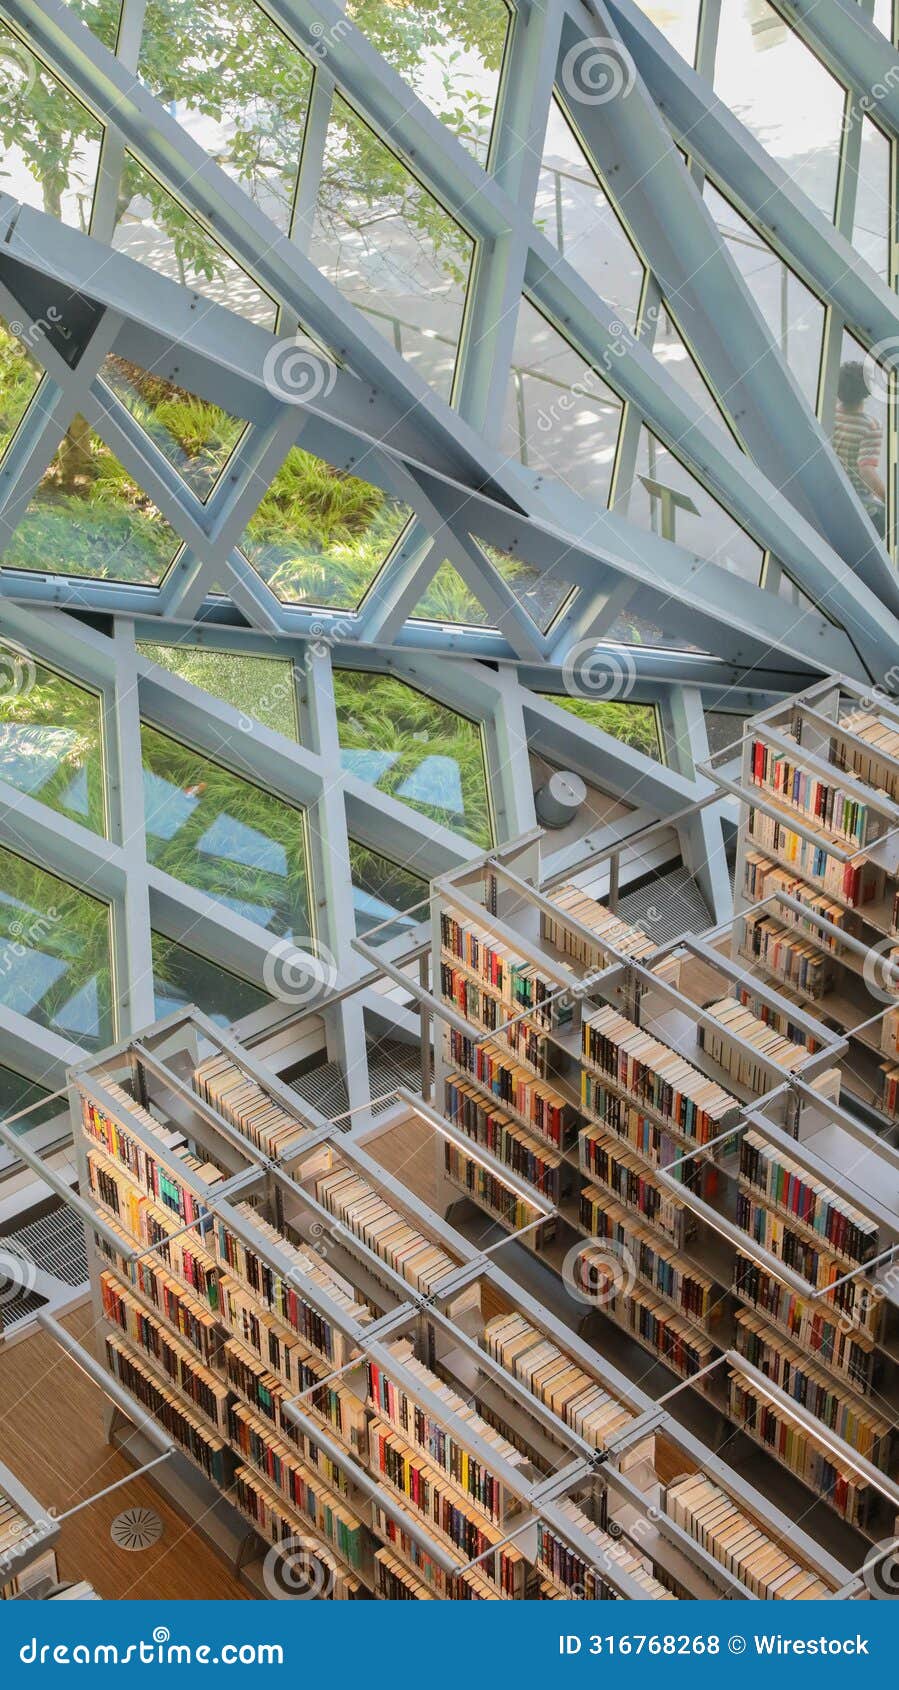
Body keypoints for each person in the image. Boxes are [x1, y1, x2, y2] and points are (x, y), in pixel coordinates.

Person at [832, 361, 886, 538]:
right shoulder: (870, 426)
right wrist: (890, 502)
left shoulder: (828, 415)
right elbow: (866, 470)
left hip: (832, 498)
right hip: (859, 509)